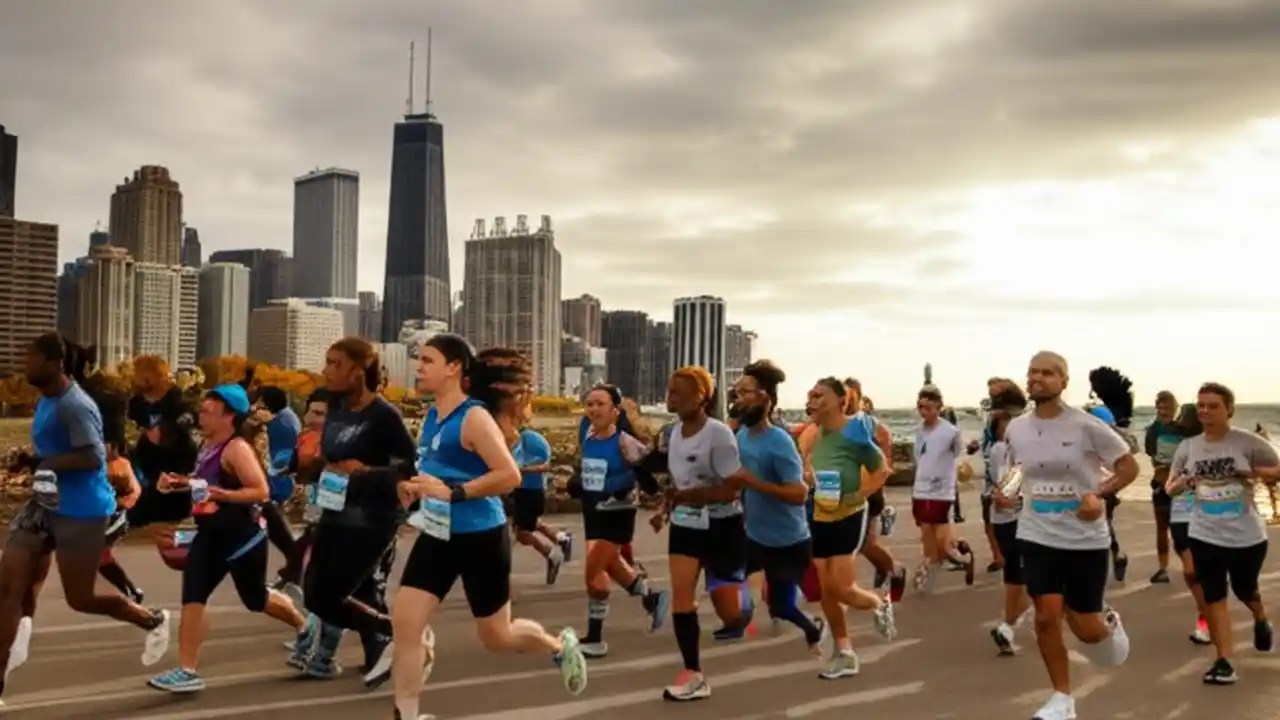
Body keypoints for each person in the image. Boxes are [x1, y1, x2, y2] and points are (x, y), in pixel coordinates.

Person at [391, 335, 587, 720]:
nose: (419, 367)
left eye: (428, 360)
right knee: (406, 623)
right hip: (438, 534)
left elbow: (509, 475)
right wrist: (412, 486)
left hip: (480, 536)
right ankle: (407, 715)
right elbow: (434, 468)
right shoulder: (432, 416)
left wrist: (454, 492)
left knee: (498, 637)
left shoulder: (474, 418)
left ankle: (558, 646)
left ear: (453, 368)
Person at [0, 335, 171, 705]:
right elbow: (58, 451)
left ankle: (152, 619)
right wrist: (30, 460)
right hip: (46, 505)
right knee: (9, 588)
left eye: (31, 359)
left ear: (54, 363)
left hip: (83, 510)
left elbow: (93, 457)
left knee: (81, 598)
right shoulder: (46, 399)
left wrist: (47, 463)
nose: (24, 366)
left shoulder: (75, 405)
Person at [995, 351, 1137, 720]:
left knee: (1086, 629)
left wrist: (1099, 494)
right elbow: (1018, 469)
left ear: (1063, 381)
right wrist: (1007, 492)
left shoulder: (1086, 426)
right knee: (1046, 617)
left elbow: (1128, 467)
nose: (1037, 378)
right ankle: (1062, 699)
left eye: (1047, 373)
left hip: (1084, 538)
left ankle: (1107, 624)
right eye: (1032, 372)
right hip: (1035, 533)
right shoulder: (1017, 428)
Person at [147, 385, 316, 693]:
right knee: (193, 595)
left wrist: (216, 493)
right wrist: (180, 483)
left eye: (208, 411)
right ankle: (187, 670)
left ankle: (304, 626)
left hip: (243, 538)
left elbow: (260, 491)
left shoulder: (236, 449)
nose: (201, 415)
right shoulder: (207, 446)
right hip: (210, 535)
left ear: (229, 416)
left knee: (256, 599)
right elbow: (204, 484)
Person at [296, 339, 416, 685]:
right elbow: (332, 455)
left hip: (372, 518)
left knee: (333, 593)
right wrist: (316, 465)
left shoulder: (384, 417)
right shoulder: (336, 406)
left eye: (335, 364)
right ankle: (383, 648)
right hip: (334, 508)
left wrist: (363, 472)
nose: (326, 370)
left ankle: (394, 637)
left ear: (357, 372)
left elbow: (410, 471)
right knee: (316, 593)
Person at [1165, 382, 1280, 685]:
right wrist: (1185, 483)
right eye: (1201, 405)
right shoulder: (1189, 447)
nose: (1205, 411)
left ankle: (1260, 617)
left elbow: (1277, 470)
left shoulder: (1248, 442)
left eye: (1213, 406)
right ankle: (1224, 660)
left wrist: (1249, 472)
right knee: (1213, 595)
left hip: (1247, 536)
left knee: (1244, 589)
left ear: (1229, 409)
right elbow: (1170, 487)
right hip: (1204, 533)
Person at [660, 366, 753, 701]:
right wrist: (667, 503)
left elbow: (732, 488)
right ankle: (694, 675)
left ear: (701, 397)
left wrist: (692, 495)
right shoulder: (673, 433)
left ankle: (749, 592)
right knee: (682, 597)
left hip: (722, 526)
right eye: (669, 390)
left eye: (677, 392)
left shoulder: (718, 434)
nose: (670, 397)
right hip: (686, 526)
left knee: (732, 614)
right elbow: (679, 481)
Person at [801, 377, 896, 681]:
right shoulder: (813, 433)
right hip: (819, 512)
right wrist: (810, 479)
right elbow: (808, 468)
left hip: (849, 516)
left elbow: (881, 469)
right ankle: (844, 652)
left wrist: (857, 495)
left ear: (841, 401)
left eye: (820, 395)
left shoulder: (855, 433)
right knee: (826, 589)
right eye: (811, 394)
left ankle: (878, 604)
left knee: (840, 587)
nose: (813, 399)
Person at [733, 361, 829, 655]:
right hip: (755, 535)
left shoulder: (780, 443)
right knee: (728, 576)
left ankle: (813, 628)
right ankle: (739, 614)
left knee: (781, 607)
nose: (737, 399)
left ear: (764, 398)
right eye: (736, 393)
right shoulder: (742, 435)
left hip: (788, 542)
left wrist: (754, 483)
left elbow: (799, 494)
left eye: (744, 393)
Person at [572, 384, 669, 658]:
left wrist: (616, 486)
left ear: (615, 411)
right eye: (590, 404)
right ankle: (651, 596)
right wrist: (577, 482)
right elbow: (588, 470)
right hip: (593, 510)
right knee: (612, 566)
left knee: (593, 574)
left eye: (600, 404)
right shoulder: (587, 435)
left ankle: (594, 639)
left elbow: (646, 471)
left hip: (617, 512)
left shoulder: (625, 441)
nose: (593, 409)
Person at [126, 356, 199, 546]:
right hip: (147, 461)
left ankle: (182, 541)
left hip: (176, 458)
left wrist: (167, 430)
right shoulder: (136, 402)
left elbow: (189, 418)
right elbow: (131, 427)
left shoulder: (176, 399)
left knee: (173, 512)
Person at [911, 385, 975, 592]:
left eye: (928, 407)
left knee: (941, 540)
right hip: (920, 489)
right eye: (921, 407)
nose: (924, 412)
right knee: (927, 536)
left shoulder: (950, 432)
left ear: (938, 407)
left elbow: (960, 455)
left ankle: (963, 558)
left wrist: (969, 454)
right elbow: (919, 457)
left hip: (942, 490)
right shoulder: (919, 431)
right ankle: (928, 575)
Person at [986, 386, 1032, 656]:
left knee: (1019, 579)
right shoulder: (1001, 449)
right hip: (1011, 520)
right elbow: (1006, 486)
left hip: (1012, 520)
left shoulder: (1006, 448)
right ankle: (1008, 627)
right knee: (1019, 579)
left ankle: (1009, 627)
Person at [1166, 403, 1211, 644]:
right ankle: (1207, 614)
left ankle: (1206, 619)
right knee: (1191, 571)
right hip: (1181, 515)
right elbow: (1170, 484)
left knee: (1201, 571)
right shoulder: (1181, 449)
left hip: (1209, 516)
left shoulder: (1216, 449)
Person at [256, 386, 303, 605]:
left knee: (273, 521)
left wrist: (271, 475)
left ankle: (295, 564)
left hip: (280, 481)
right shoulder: (286, 418)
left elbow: (283, 456)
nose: (259, 407)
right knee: (275, 524)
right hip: (280, 479)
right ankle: (293, 565)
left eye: (262, 402)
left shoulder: (281, 424)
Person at [1145, 391, 1181, 584]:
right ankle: (1163, 568)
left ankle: (1194, 565)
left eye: (1167, 408)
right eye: (1161, 408)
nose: (1164, 411)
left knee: (1185, 528)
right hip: (1164, 483)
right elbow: (1151, 453)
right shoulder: (1154, 430)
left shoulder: (1183, 429)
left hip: (1181, 485)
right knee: (1163, 527)